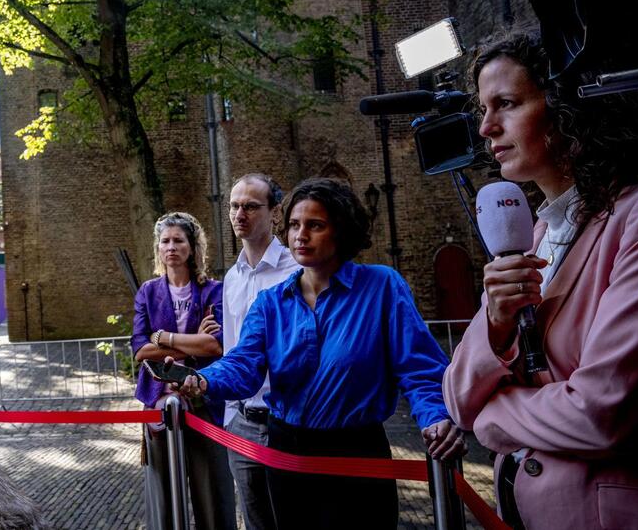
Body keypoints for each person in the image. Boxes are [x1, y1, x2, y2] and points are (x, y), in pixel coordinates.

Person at [442, 32, 638, 530]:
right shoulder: (538, 232)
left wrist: (491, 418)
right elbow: (456, 398)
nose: (485, 127)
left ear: (567, 105)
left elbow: (599, 412)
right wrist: (496, 322)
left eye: (506, 104)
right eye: (482, 108)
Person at [177, 178, 465, 529]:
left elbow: (419, 366)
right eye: (296, 225)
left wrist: (435, 416)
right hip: (288, 452)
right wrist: (201, 379)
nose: (300, 235)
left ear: (341, 230)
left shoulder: (381, 287)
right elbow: (244, 365)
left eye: (315, 225)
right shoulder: (271, 303)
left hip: (357, 452)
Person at [132, 211, 236, 530]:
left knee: (213, 492)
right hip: (159, 403)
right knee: (163, 493)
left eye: (179, 240)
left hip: (205, 401)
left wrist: (163, 338)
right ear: (158, 248)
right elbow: (140, 350)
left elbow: (216, 346)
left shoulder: (214, 292)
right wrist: (192, 343)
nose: (171, 246)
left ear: (193, 246)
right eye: (165, 241)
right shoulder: (148, 293)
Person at [221, 174, 299, 530]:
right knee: (255, 523)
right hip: (242, 423)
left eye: (251, 206)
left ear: (275, 212)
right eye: (235, 206)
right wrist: (229, 417)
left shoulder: (296, 271)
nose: (240, 214)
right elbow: (231, 349)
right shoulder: (232, 278)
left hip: (288, 422)